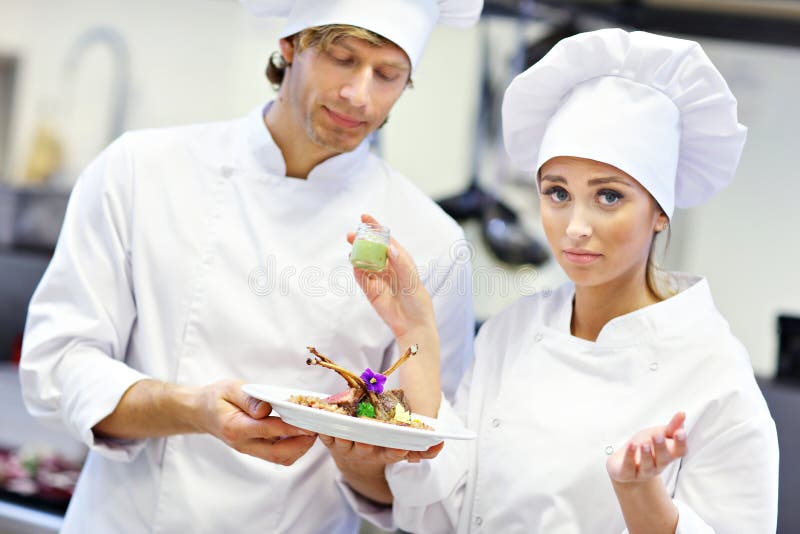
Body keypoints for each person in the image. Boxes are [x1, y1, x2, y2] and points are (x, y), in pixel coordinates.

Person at [19, 1, 482, 532]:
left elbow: (421, 482)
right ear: (288, 46)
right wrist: (192, 408)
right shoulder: (140, 171)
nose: (360, 95)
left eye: (388, 74)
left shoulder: (432, 241)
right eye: (341, 57)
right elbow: (58, 365)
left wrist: (358, 455)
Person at [337, 29, 780, 533]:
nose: (575, 227)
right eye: (557, 192)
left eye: (609, 196)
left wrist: (640, 494)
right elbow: (443, 510)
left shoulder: (712, 372)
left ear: (659, 210)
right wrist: (416, 332)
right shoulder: (512, 332)